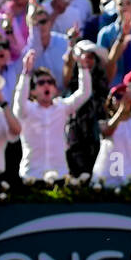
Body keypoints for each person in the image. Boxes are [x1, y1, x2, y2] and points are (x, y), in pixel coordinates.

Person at [14, 48, 92, 181]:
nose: (47, 86)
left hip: (60, 175)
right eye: (41, 83)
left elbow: (85, 93)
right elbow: (19, 102)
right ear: (32, 91)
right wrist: (26, 73)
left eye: (50, 82)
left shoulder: (62, 107)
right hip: (31, 176)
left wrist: (82, 66)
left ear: (55, 89)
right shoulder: (27, 110)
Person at [93, 83, 131, 188]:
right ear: (110, 101)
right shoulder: (104, 123)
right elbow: (108, 131)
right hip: (111, 178)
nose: (122, 101)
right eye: (118, 97)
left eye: (125, 97)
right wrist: (121, 111)